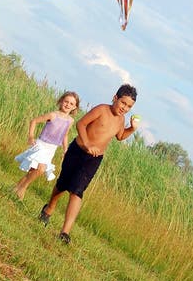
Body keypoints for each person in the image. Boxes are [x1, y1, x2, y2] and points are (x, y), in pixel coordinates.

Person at [39, 83, 138, 243]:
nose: (124, 108)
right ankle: (49, 208)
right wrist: (86, 144)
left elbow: (120, 136)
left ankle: (65, 232)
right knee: (63, 184)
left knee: (77, 190)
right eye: (123, 103)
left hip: (93, 159)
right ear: (115, 98)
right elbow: (81, 124)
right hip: (78, 150)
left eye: (128, 106)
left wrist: (131, 129)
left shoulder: (121, 120)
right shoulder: (101, 109)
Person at [14, 91, 80, 199]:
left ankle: (16, 188)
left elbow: (65, 134)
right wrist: (31, 136)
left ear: (74, 107)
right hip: (41, 144)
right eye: (66, 102)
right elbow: (34, 121)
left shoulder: (70, 121)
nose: (68, 105)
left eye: (71, 104)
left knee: (34, 171)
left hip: (51, 149)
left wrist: (65, 150)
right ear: (61, 101)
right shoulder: (53, 115)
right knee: (40, 169)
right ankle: (23, 188)